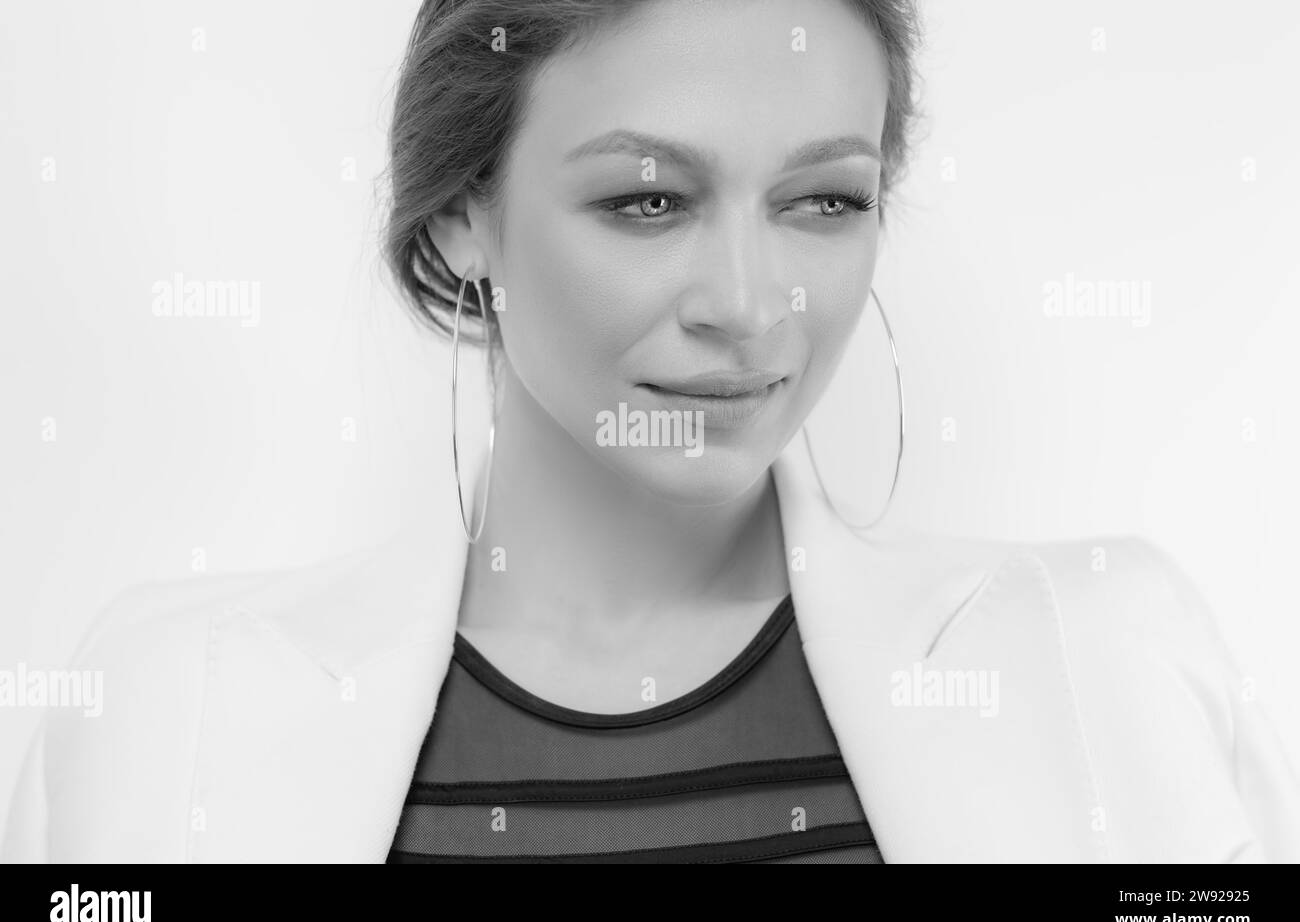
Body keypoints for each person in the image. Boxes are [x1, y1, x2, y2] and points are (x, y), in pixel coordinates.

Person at [4, 0, 1299, 863]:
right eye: (648, 199)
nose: (748, 306)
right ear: (463, 214)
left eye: (824, 201)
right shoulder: (165, 710)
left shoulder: (1108, 661)